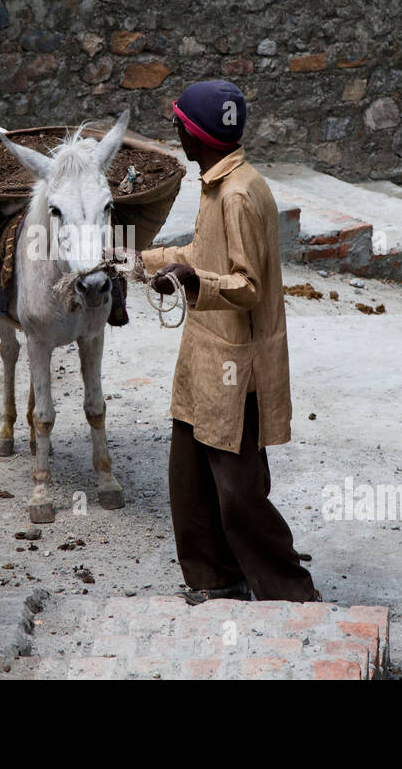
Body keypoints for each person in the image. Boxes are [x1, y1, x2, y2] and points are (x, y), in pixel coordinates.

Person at [112, 80, 319, 605]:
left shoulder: (239, 196)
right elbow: (203, 253)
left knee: (239, 493)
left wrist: (191, 281)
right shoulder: (218, 184)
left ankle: (288, 589)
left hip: (237, 370)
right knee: (189, 484)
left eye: (179, 125)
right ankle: (215, 579)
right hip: (204, 358)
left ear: (196, 134)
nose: (176, 132)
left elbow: (247, 287)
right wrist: (147, 263)